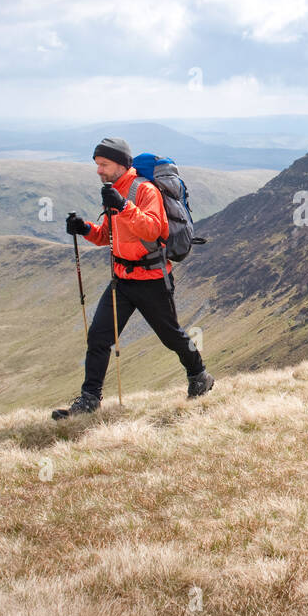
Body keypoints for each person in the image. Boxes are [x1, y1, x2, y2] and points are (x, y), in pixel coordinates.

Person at [53, 137, 214, 418]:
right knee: (99, 337)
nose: (99, 170)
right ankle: (90, 400)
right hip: (122, 280)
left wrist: (123, 206)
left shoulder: (144, 189)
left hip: (152, 280)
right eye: (97, 165)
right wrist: (84, 228)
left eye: (104, 164)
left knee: (171, 336)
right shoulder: (114, 190)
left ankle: (199, 375)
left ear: (121, 163)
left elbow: (153, 230)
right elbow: (106, 236)